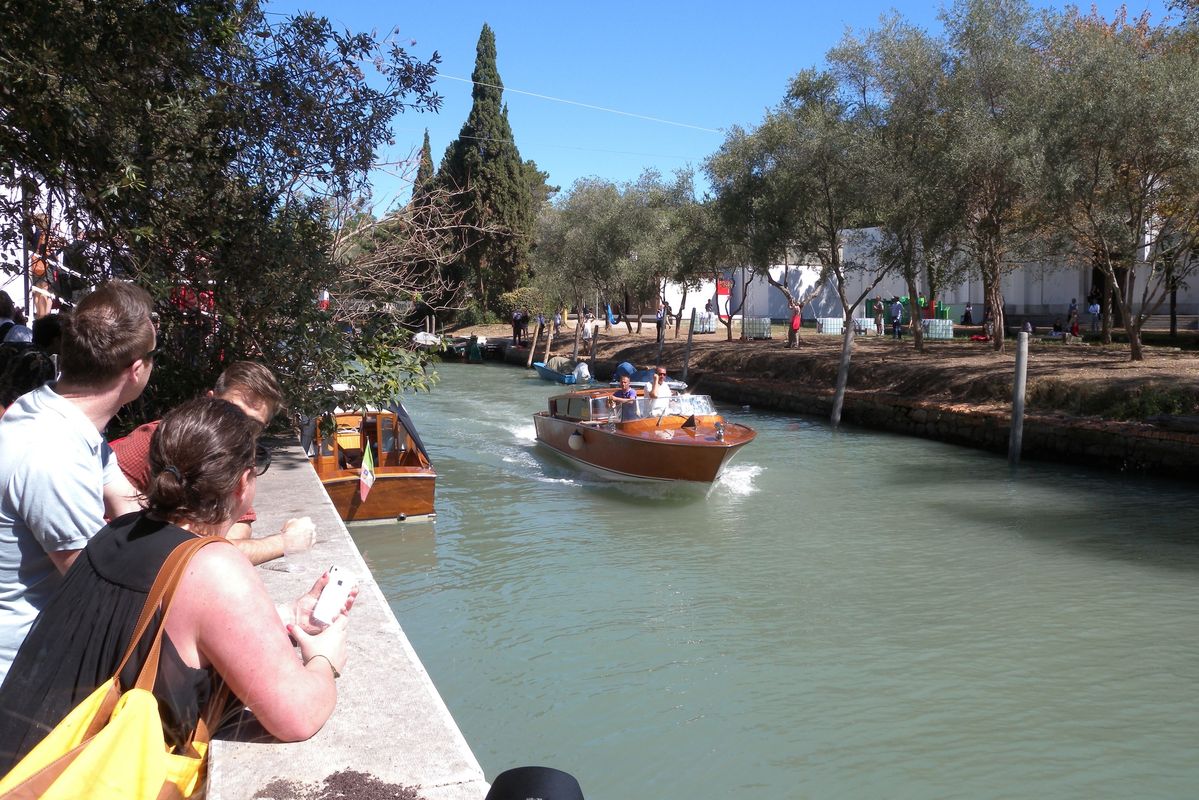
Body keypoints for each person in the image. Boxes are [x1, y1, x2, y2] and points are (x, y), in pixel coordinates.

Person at [0, 397, 355, 772]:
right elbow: (297, 717)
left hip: (23, 756)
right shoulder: (213, 565)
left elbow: (167, 625)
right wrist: (324, 658)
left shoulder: (119, 532)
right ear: (242, 484)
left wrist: (286, 617)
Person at [0, 280, 149, 680]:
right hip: (22, 678)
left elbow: (126, 504)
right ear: (136, 370)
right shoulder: (53, 453)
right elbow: (96, 587)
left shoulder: (55, 408)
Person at [110, 361, 310, 567]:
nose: (239, 427)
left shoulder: (237, 455)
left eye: (252, 425)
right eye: (231, 411)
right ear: (209, 400)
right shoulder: (161, 440)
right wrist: (285, 542)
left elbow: (235, 530)